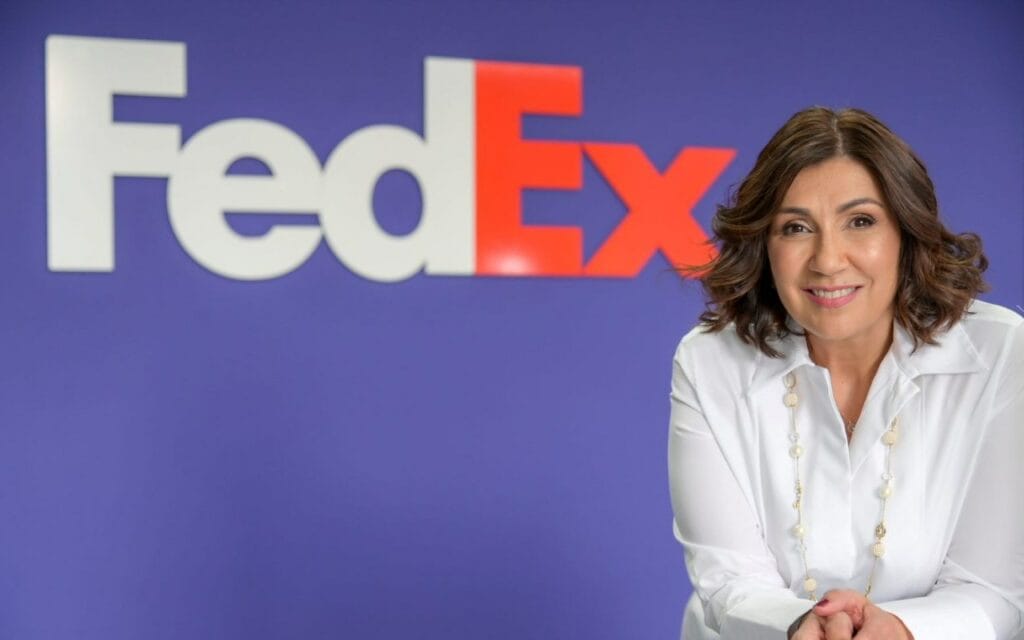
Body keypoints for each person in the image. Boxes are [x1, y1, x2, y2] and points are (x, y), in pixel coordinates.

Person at [667, 107, 1023, 640]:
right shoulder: (709, 361)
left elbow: (996, 589)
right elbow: (729, 580)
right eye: (796, 228)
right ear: (765, 245)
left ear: (906, 232)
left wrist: (900, 630)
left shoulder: (1002, 352)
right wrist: (802, 626)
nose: (828, 260)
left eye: (860, 221)